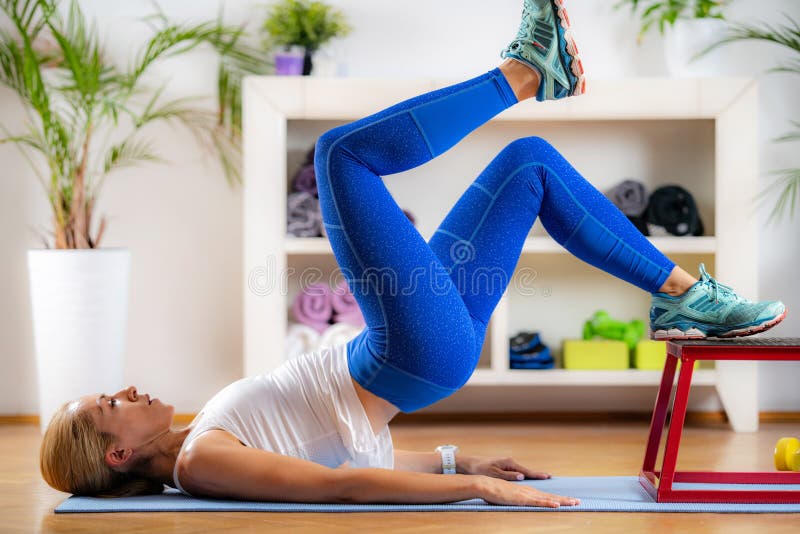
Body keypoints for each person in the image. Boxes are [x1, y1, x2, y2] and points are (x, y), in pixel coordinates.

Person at [40, 0, 786, 508]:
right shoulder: (202, 461)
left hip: (419, 350)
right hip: (408, 350)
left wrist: (463, 462)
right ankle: (525, 72)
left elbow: (344, 459)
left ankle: (688, 295)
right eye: (111, 405)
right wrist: (479, 492)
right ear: (114, 456)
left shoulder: (203, 439)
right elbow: (341, 491)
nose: (127, 390)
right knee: (339, 157)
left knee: (527, 165)